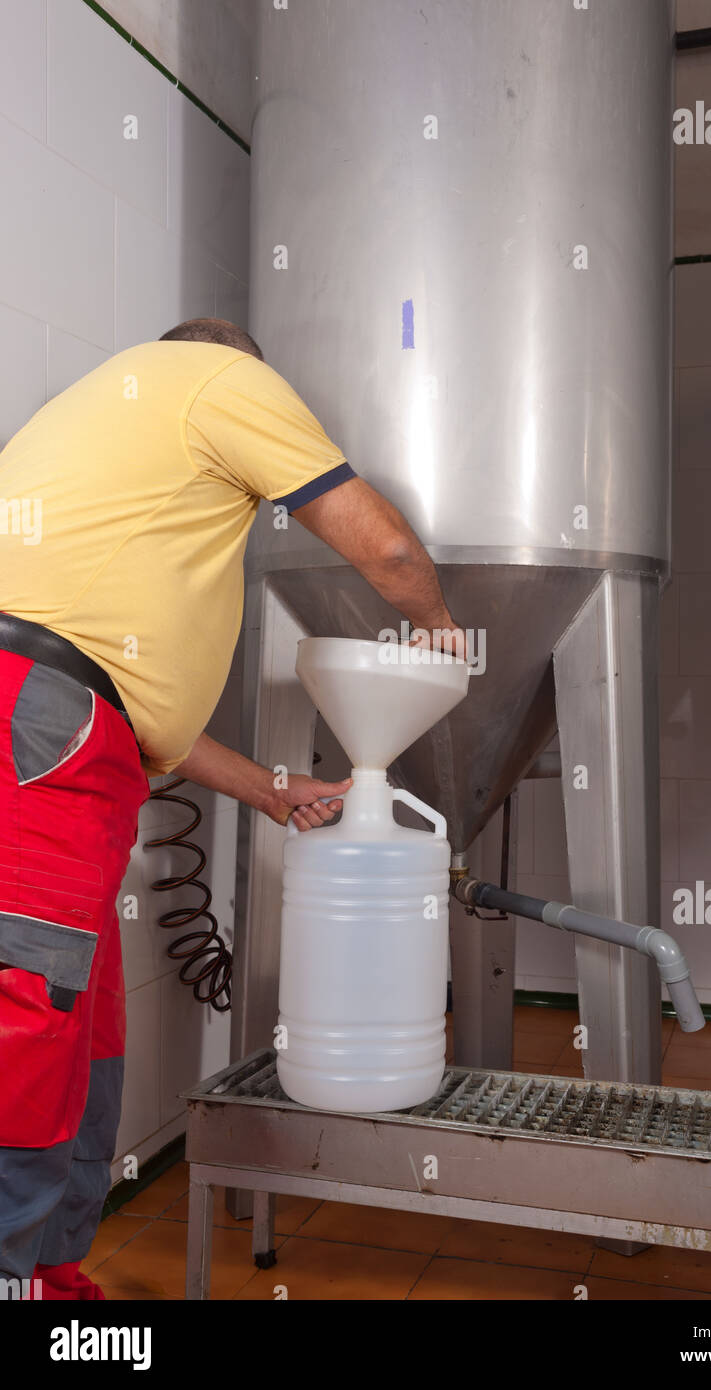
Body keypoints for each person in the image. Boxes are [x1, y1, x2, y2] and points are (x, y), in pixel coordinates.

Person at [0, 317, 464, 1299]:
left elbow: (147, 711)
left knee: (84, 1026)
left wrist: (271, 790)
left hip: (68, 736)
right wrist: (439, 632)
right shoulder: (216, 376)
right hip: (34, 724)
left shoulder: (113, 427)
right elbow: (381, 547)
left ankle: (45, 1272)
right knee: (27, 1011)